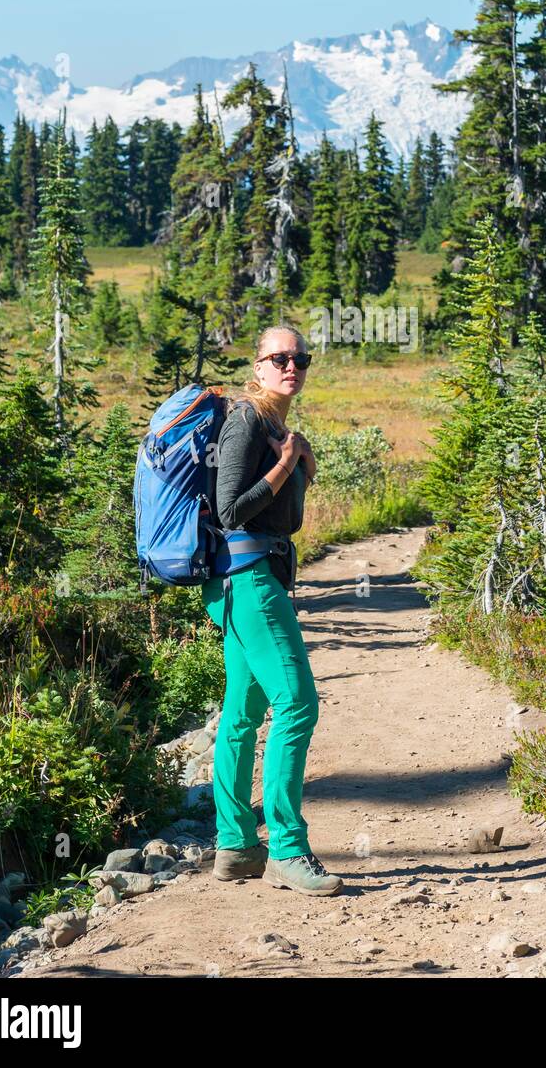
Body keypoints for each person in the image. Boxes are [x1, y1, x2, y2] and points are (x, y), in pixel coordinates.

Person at [202, 322, 344, 896]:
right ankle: (287, 848)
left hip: (253, 582)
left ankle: (235, 846)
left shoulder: (279, 428)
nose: (292, 366)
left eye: (301, 358)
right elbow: (230, 511)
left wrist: (298, 465)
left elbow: (286, 521)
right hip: (249, 581)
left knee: (243, 710)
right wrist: (287, 463)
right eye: (279, 357)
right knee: (298, 702)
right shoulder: (245, 420)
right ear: (257, 367)